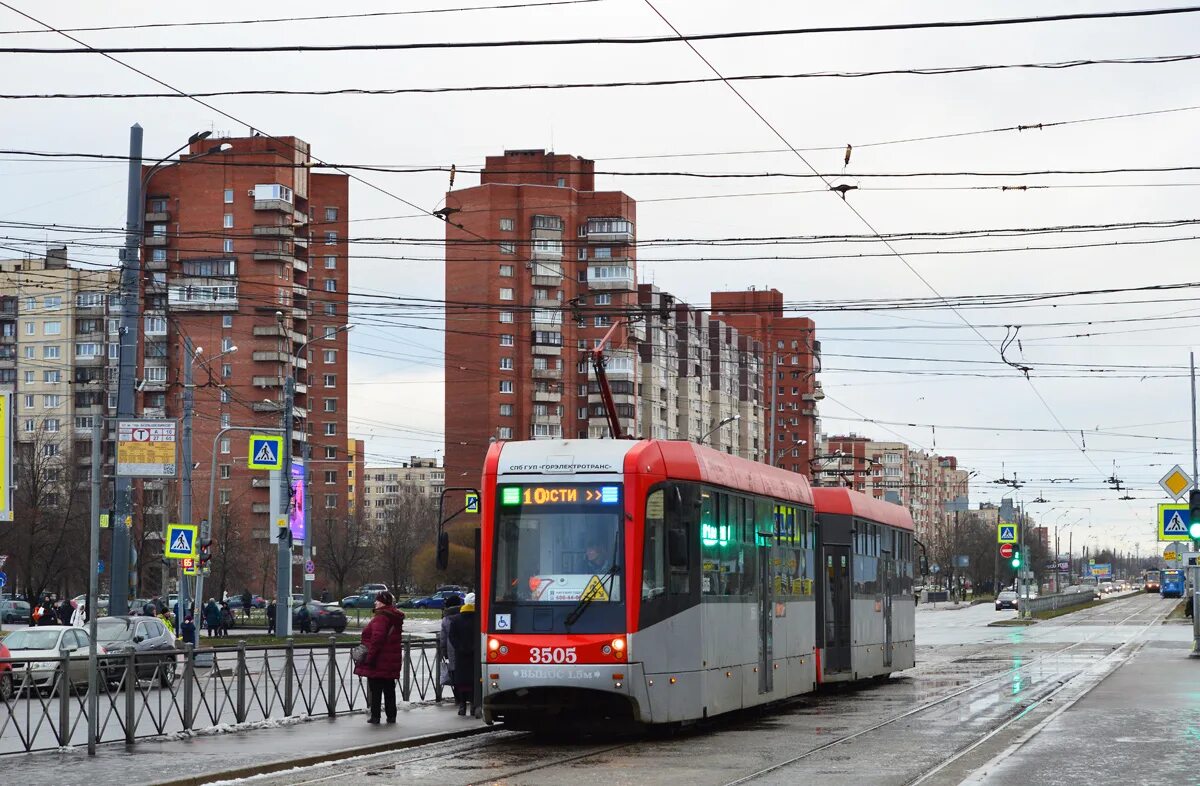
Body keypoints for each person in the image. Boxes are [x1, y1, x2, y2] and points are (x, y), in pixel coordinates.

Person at [353, 591, 405, 724]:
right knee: (389, 688)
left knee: (375, 689)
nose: (375, 602)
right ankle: (391, 716)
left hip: (379, 659)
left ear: (383, 602)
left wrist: (369, 657)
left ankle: (375, 716)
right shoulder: (394, 616)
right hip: (391, 658)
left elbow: (377, 639)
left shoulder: (381, 617)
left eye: (377, 600)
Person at [447, 595, 478, 716]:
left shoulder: (456, 619)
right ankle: (473, 705)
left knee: (461, 681)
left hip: (460, 655)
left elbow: (451, 637)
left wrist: (459, 648)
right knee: (474, 681)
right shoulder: (478, 619)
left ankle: (462, 705)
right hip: (474, 655)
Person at [439, 594, 463, 701]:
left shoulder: (446, 619)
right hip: (467, 649)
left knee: (455, 674)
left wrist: (444, 652)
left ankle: (458, 697)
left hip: (452, 649)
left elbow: (443, 638)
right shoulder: (466, 615)